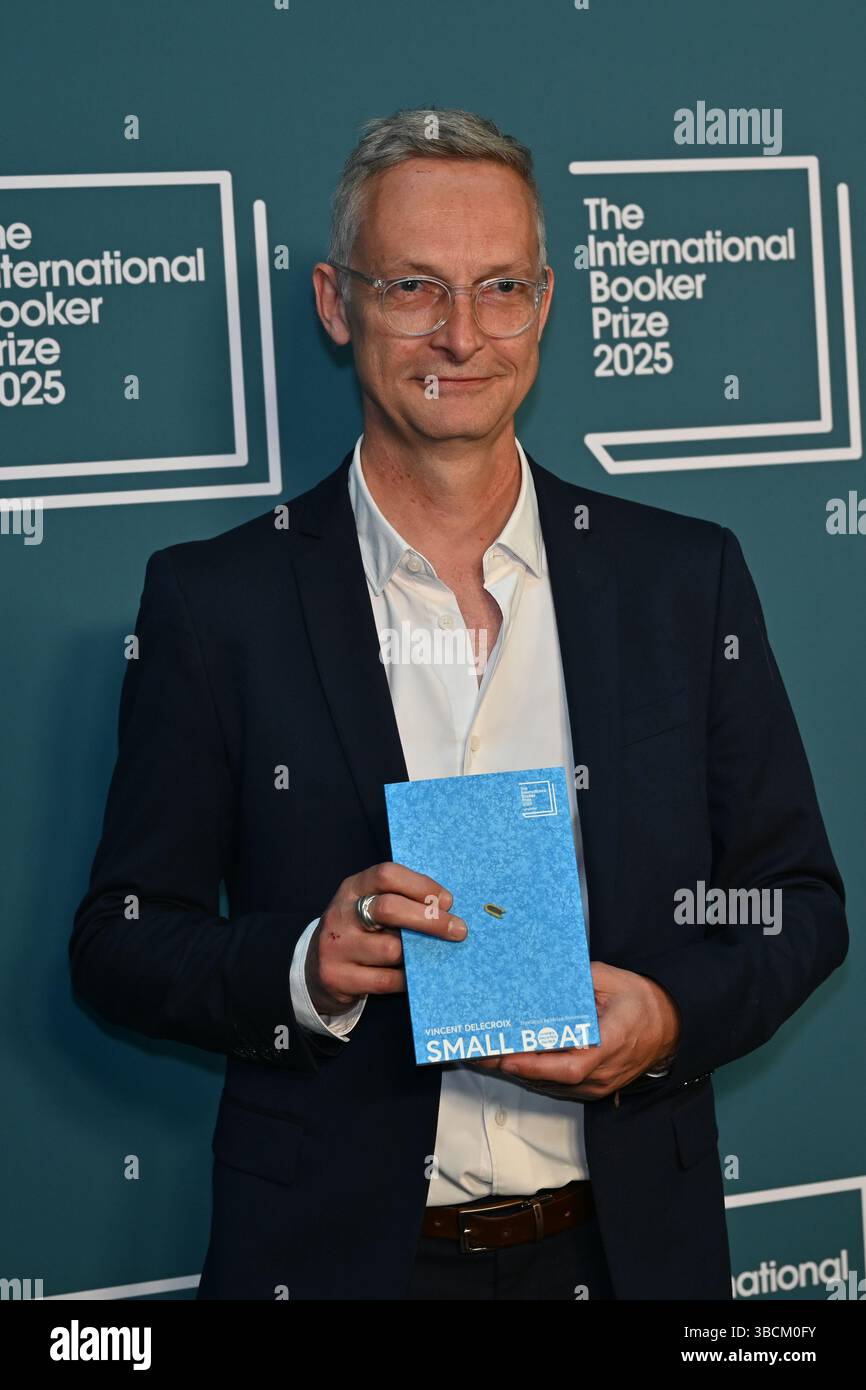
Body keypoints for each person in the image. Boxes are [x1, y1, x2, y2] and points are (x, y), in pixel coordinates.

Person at [70, 107, 848, 1301]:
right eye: (412, 288)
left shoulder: (681, 580)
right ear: (337, 304)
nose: (461, 333)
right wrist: (302, 969)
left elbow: (795, 901)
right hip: (335, 1264)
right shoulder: (214, 601)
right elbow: (121, 938)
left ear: (543, 303)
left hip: (632, 1252)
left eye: (497, 288)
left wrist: (669, 1013)